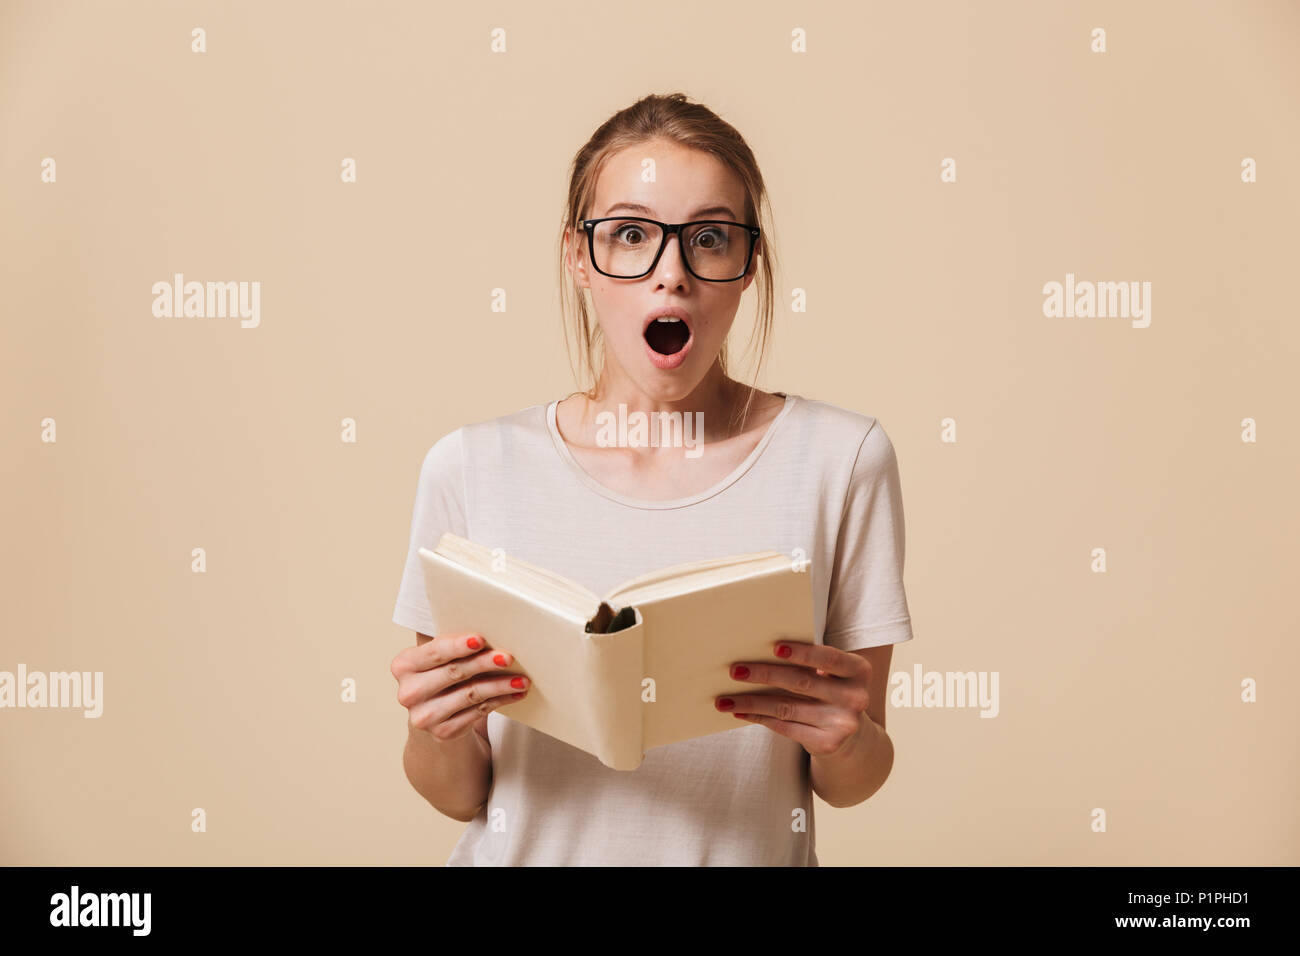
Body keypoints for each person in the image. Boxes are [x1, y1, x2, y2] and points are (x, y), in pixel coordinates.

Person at [390, 92, 914, 865]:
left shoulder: (841, 461)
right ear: (579, 256)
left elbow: (851, 780)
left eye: (708, 238)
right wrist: (438, 726)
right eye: (630, 234)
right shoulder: (470, 468)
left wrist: (845, 736)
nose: (672, 275)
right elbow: (458, 794)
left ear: (749, 263)